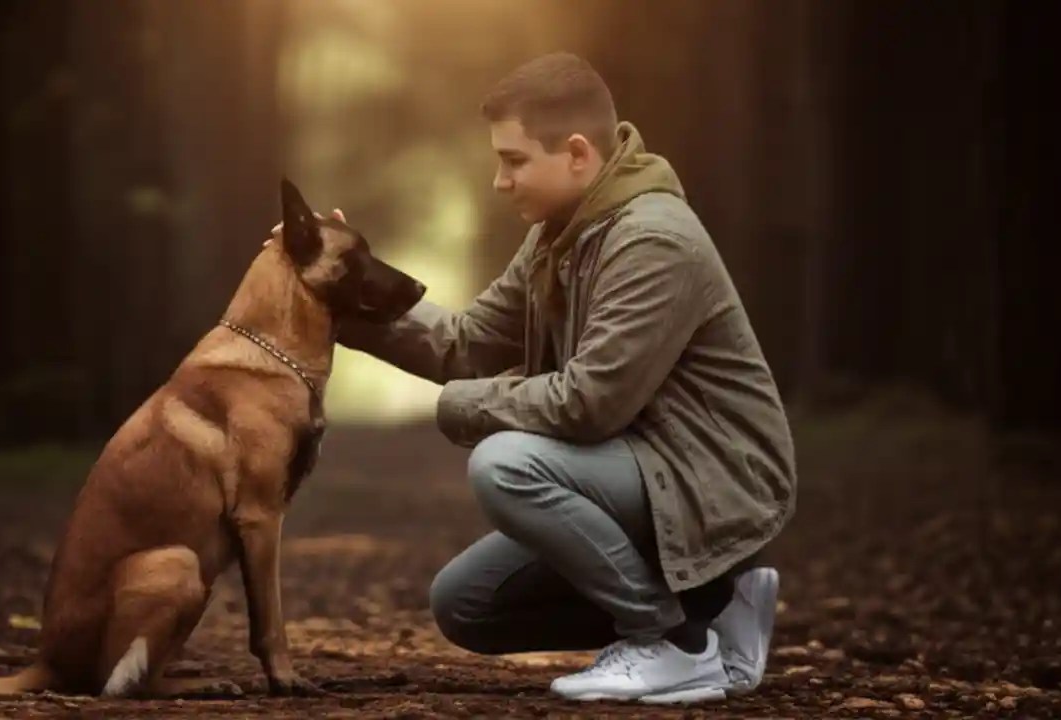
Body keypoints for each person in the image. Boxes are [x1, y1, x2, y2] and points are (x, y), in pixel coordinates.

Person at [299, 52, 797, 705]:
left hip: (712, 476)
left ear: (578, 154)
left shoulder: (653, 240)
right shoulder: (559, 233)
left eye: (514, 160)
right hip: (643, 464)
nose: (500, 181)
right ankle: (714, 599)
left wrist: (460, 406)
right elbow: (467, 343)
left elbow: (590, 404)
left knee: (505, 465)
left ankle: (672, 644)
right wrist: (343, 291)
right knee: (468, 605)